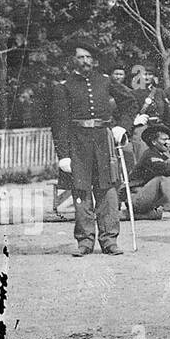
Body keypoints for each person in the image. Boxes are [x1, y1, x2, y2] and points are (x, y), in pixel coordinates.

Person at [49, 40, 135, 256]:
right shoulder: (64, 86)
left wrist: (121, 127)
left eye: (88, 57)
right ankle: (85, 242)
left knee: (108, 191)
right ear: (73, 60)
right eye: (81, 57)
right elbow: (59, 123)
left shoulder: (105, 82)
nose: (86, 61)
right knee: (81, 193)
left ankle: (110, 241)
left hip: (103, 142)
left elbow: (130, 102)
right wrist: (63, 155)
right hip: (77, 143)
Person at [126, 123, 170, 222]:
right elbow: (164, 169)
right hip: (135, 199)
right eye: (164, 139)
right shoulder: (149, 155)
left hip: (149, 199)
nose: (168, 142)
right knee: (165, 178)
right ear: (154, 142)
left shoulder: (162, 155)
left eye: (168, 139)